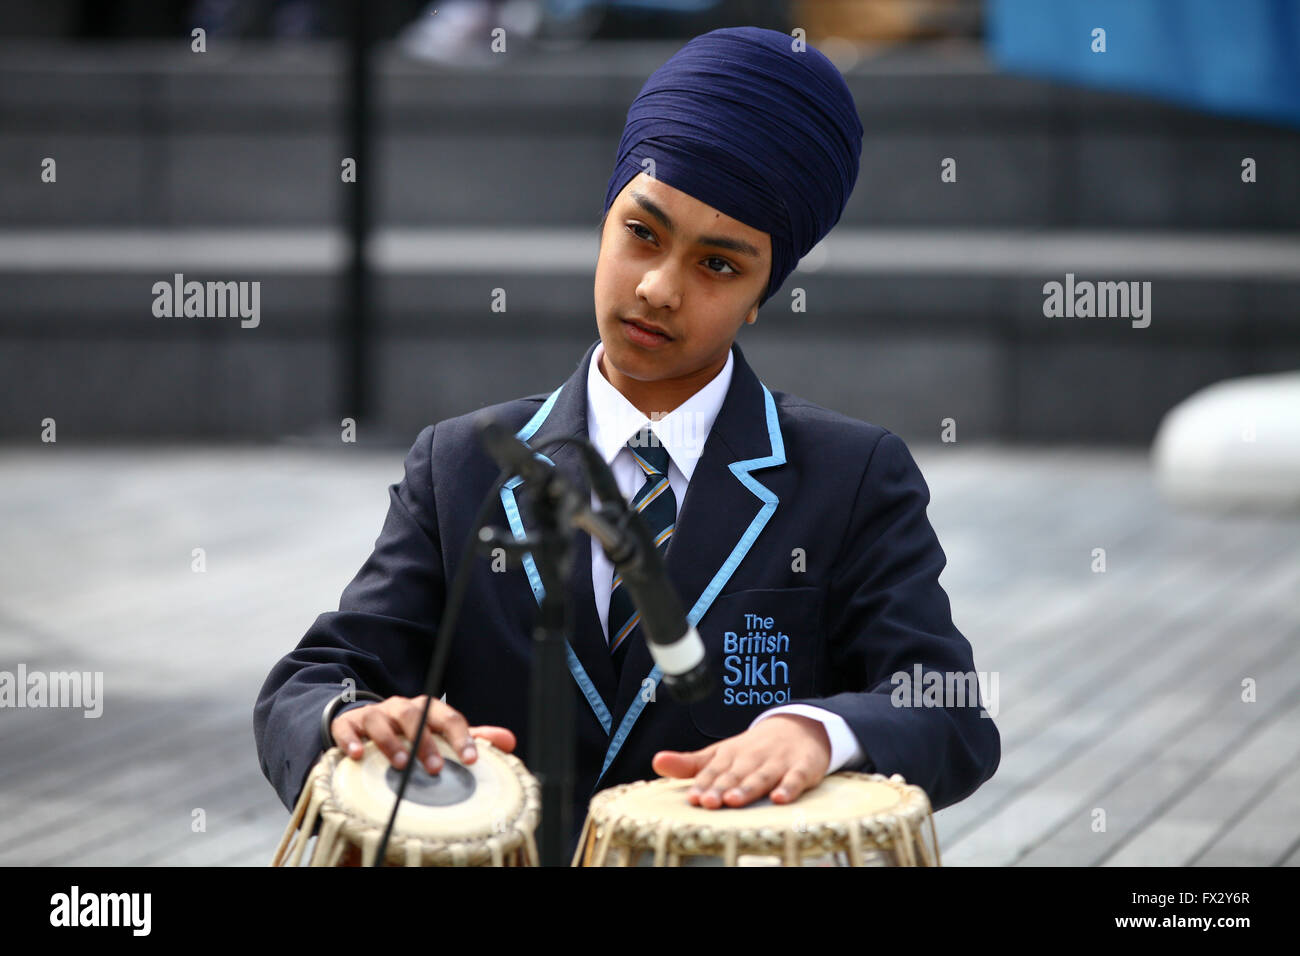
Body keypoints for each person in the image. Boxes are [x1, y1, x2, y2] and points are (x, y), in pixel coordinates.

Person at [254, 26, 1000, 850]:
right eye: (641, 233)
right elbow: (308, 683)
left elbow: (950, 710)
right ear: (604, 219)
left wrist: (818, 732)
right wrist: (360, 720)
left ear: (764, 293)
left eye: (718, 266)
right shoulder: (463, 464)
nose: (658, 288)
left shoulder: (850, 477)